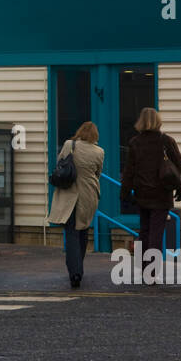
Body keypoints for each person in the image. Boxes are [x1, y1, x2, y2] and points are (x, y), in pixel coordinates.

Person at [120, 107, 181, 258]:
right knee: (156, 233)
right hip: (162, 194)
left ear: (140, 122)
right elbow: (179, 167)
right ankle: (152, 271)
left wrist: (124, 193)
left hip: (142, 194)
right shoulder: (167, 141)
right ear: (158, 121)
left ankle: (144, 268)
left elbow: (129, 171)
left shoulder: (135, 143)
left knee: (144, 230)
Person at [48, 121, 104, 289]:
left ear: (80, 131)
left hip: (69, 194)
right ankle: (78, 266)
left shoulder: (69, 145)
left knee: (71, 232)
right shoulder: (99, 151)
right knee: (83, 230)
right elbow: (98, 173)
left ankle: (75, 272)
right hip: (89, 194)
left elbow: (60, 163)